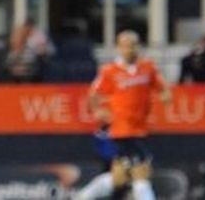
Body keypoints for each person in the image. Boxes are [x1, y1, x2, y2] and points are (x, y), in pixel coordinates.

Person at [74, 30, 172, 200]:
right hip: (123, 130)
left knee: (119, 177)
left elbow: (162, 88)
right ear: (119, 48)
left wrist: (165, 95)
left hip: (140, 128)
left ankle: (82, 196)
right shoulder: (110, 71)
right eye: (126, 46)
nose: (130, 49)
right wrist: (99, 111)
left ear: (139, 46)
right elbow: (93, 94)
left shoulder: (147, 68)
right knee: (141, 172)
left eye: (133, 45)